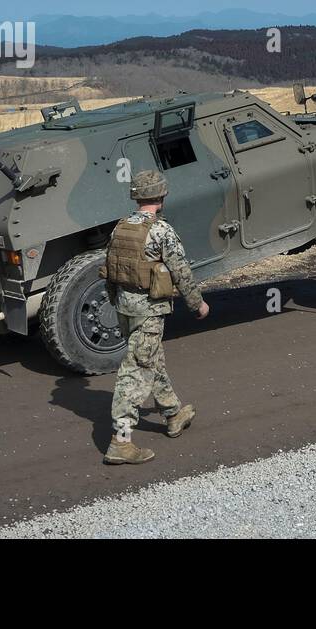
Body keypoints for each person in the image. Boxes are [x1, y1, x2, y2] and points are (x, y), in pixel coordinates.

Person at [100, 169, 209, 465]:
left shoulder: (120, 228)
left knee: (151, 360)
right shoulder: (161, 231)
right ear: (161, 196)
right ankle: (121, 441)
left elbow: (110, 269)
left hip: (124, 308)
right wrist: (197, 304)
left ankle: (173, 413)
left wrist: (116, 301)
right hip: (148, 311)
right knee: (135, 372)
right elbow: (181, 271)